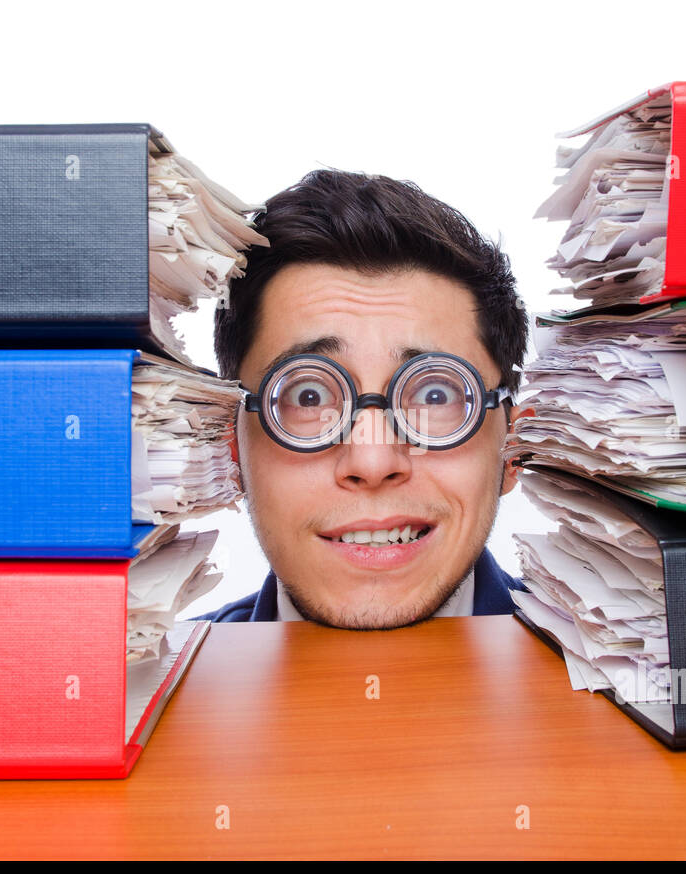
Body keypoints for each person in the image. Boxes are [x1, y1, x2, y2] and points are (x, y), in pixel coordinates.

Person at [199, 170, 528, 628]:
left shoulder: (639, 688)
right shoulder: (136, 693)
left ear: (514, 447)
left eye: (436, 394)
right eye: (308, 396)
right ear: (230, 451)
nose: (373, 462)